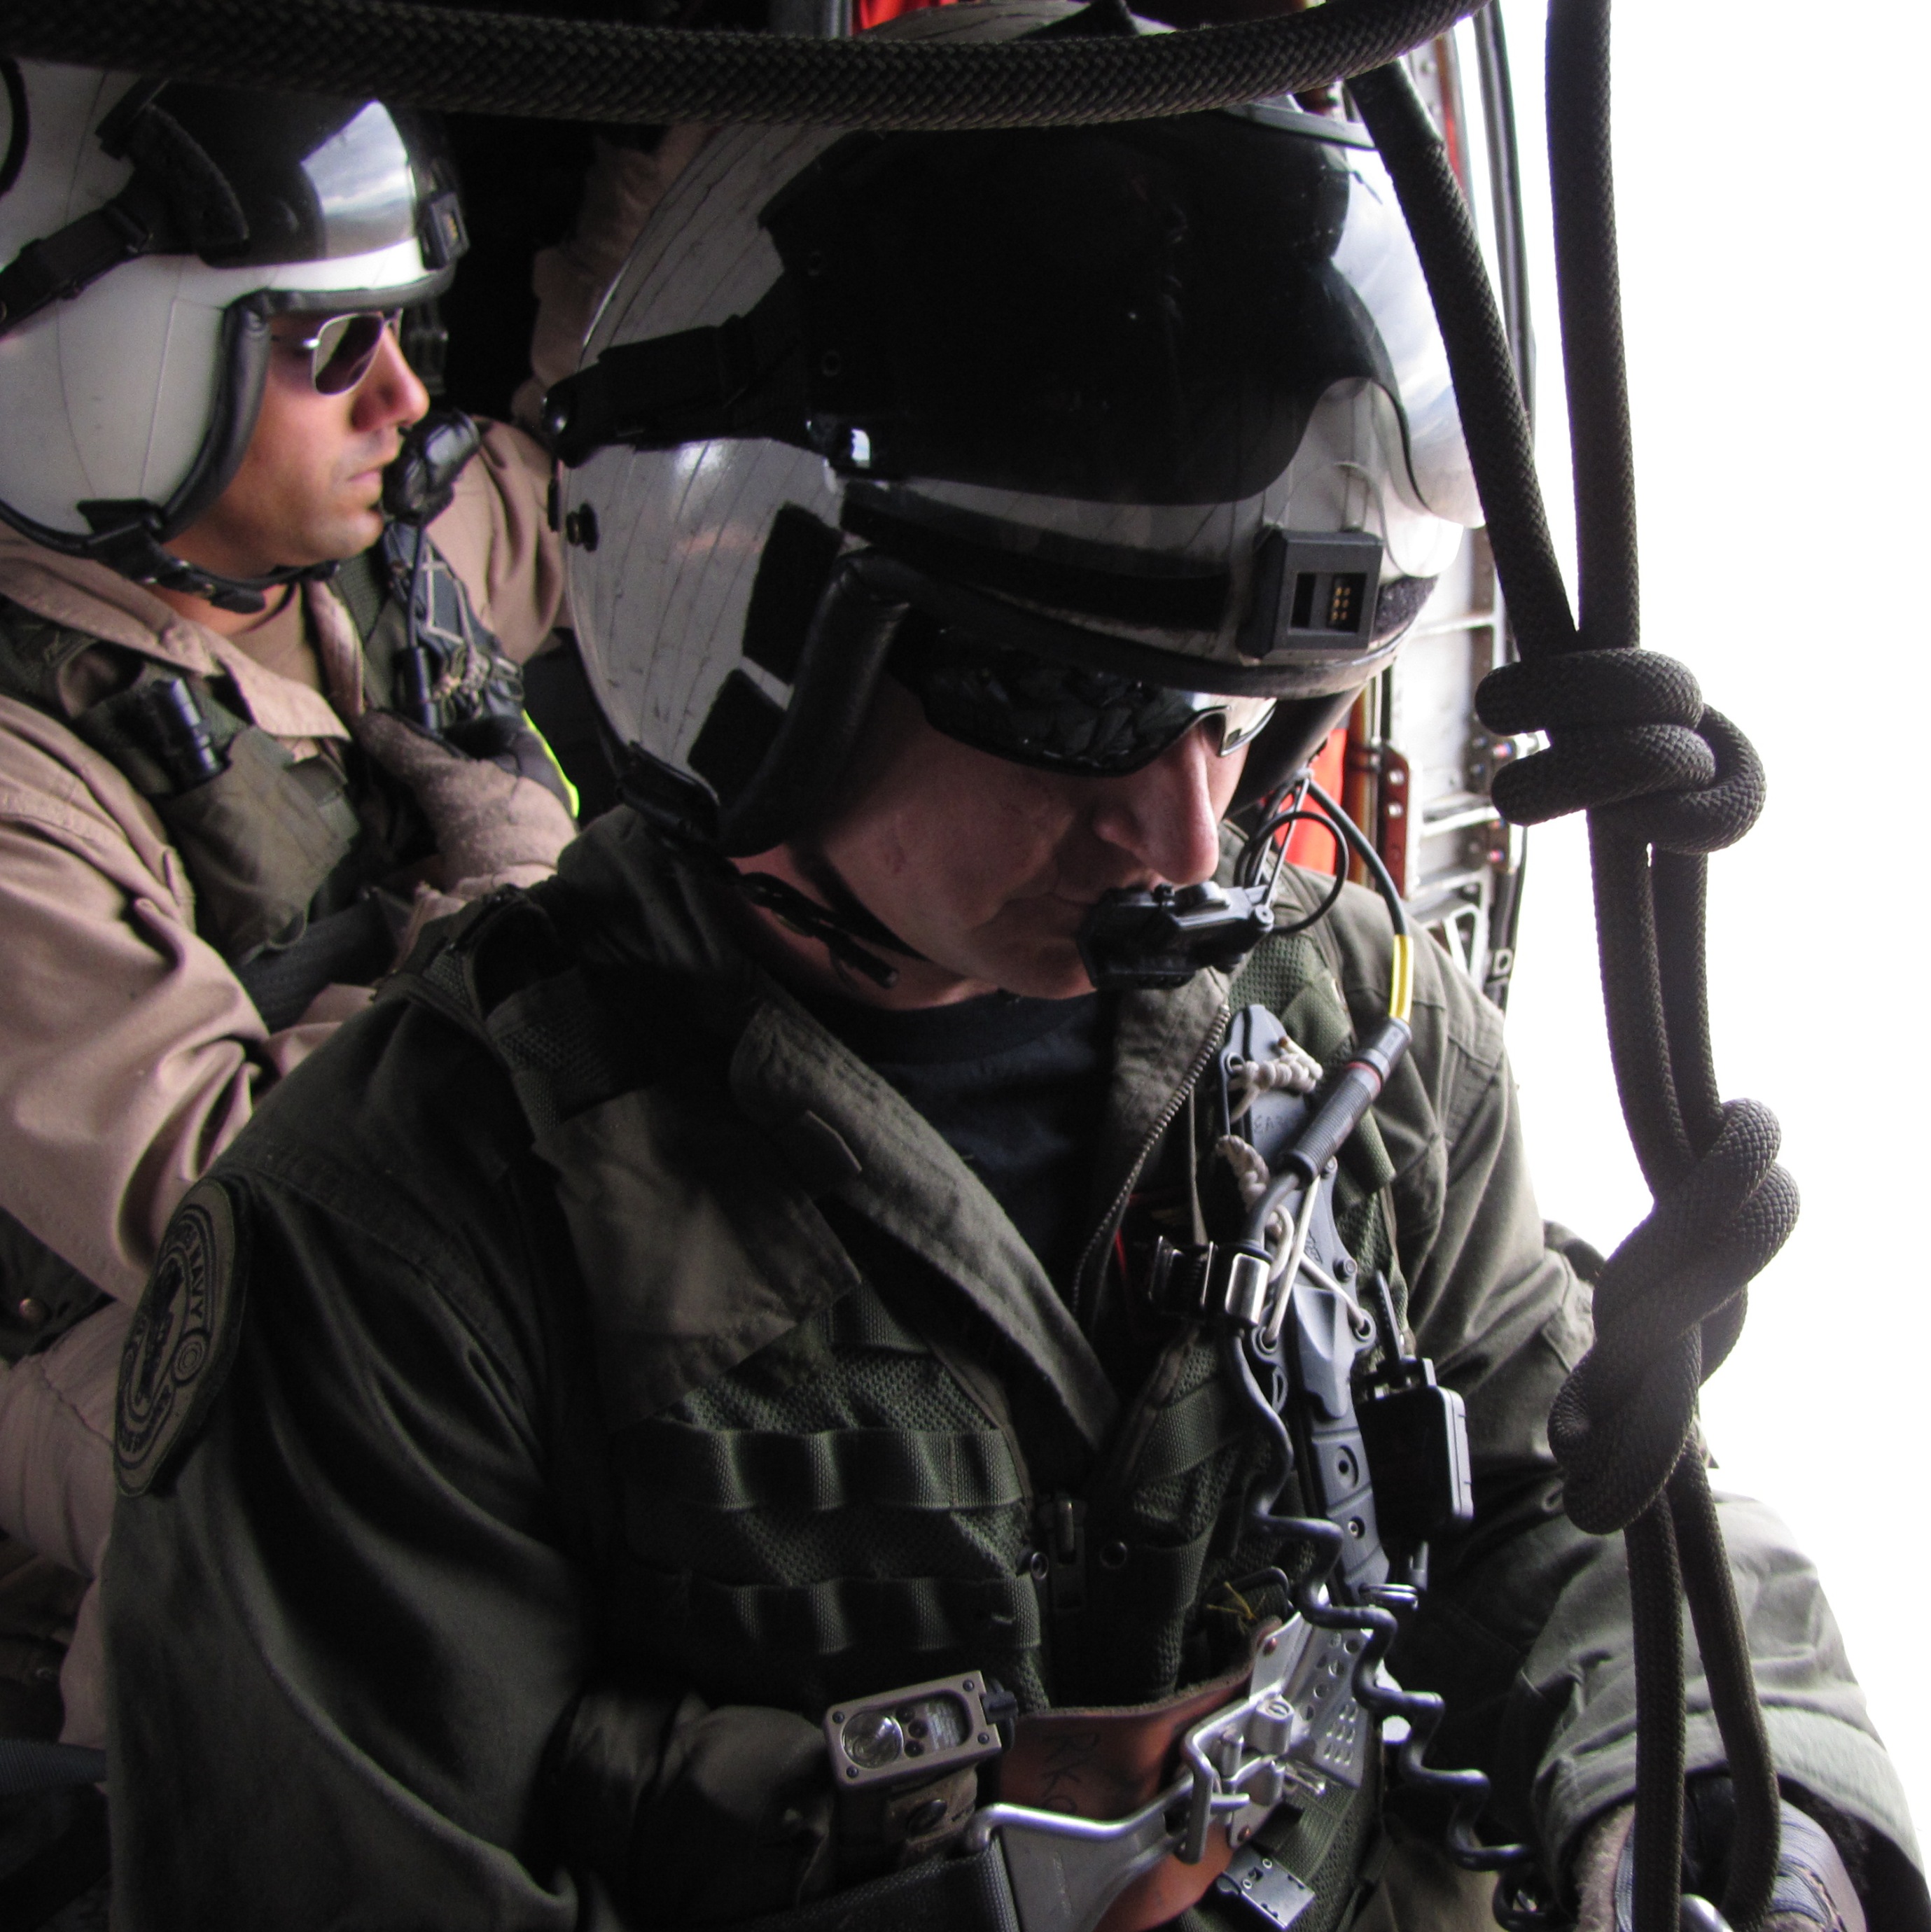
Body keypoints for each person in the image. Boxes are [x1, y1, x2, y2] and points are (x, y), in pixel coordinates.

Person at [101, 6, 1924, 1928]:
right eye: (1070, 697)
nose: (1178, 840)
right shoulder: (395, 1245)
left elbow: (1555, 1471)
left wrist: (1723, 1803)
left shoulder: (1354, 1030)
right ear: (740, 623)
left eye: (1243, 716)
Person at [0, 61, 685, 1765]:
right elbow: (229, 1212)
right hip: (129, 1337)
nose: (402, 402)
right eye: (326, 350)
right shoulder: (25, 772)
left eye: (400, 335)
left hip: (437, 1213)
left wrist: (676, 152)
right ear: (107, 377)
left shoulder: (356, 565)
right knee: (356, 1482)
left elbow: (582, 442)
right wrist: (492, 910)